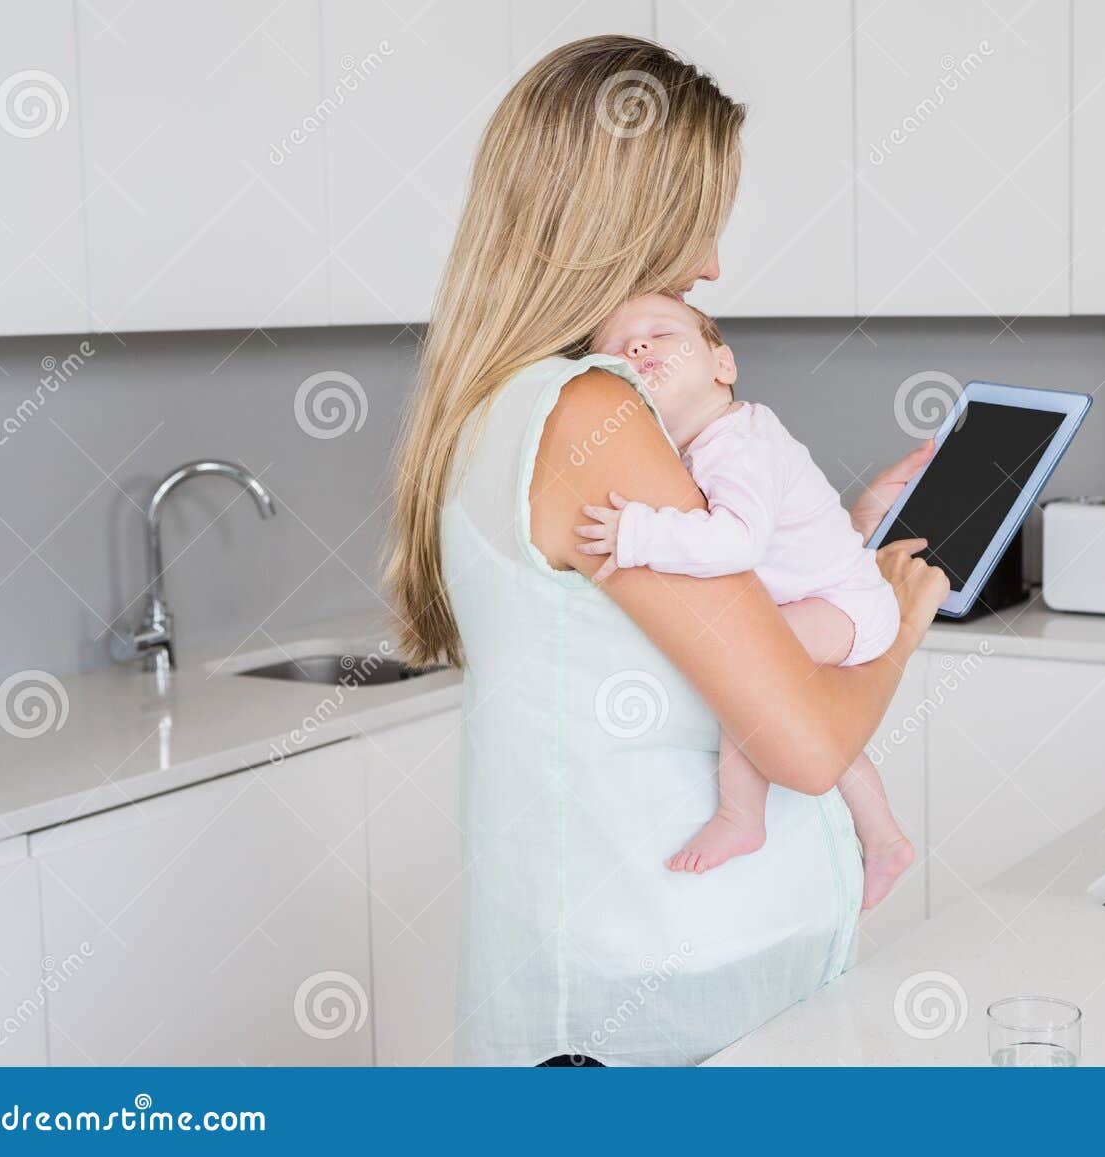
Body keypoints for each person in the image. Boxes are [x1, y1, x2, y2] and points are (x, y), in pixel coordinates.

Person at [386, 35, 946, 1067]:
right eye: (694, 225)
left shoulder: (502, 404)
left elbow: (706, 616)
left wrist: (847, 532)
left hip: (635, 955)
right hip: (669, 979)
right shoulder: (592, 411)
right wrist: (898, 622)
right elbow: (807, 745)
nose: (712, 265)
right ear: (618, 224)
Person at [579, 292, 916, 911]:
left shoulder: (738, 442)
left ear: (722, 366)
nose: (639, 347)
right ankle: (885, 836)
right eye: (619, 350)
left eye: (661, 334)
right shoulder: (701, 446)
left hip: (847, 602)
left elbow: (736, 542)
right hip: (835, 593)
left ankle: (741, 817)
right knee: (812, 723)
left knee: (750, 676)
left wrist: (639, 533)